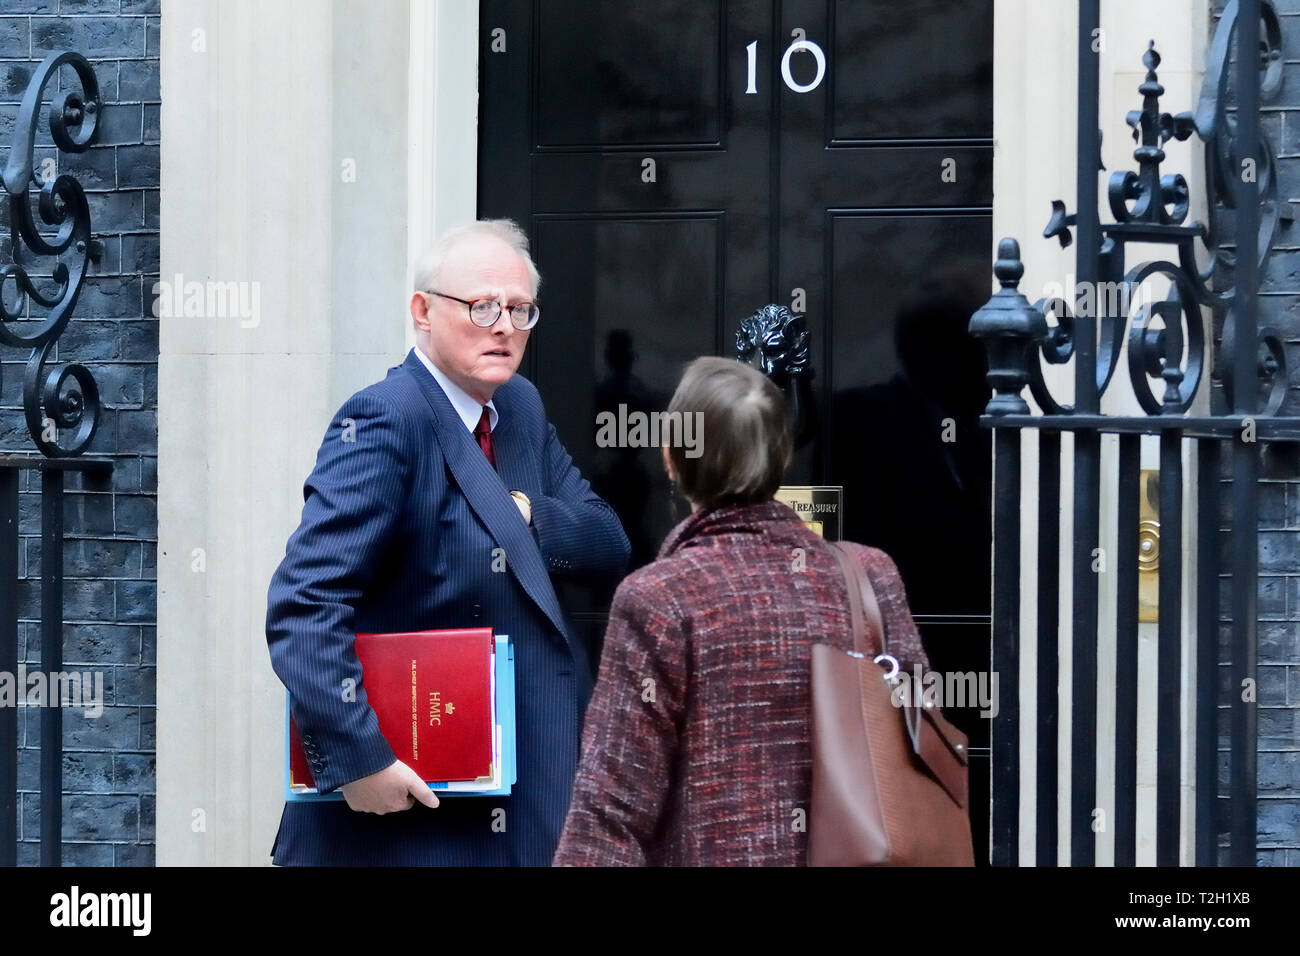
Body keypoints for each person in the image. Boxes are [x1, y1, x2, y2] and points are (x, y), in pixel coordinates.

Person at [266, 219, 630, 866]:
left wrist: (524, 514)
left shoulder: (520, 408)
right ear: (422, 311)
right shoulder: (385, 418)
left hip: (525, 796)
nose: (504, 327)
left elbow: (607, 542)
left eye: (520, 310)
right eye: (482, 306)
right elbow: (305, 604)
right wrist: (360, 760)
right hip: (413, 816)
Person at [552, 356, 929, 866]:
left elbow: (612, 807)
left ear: (671, 458)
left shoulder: (658, 598)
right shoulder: (869, 575)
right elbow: (917, 740)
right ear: (782, 455)